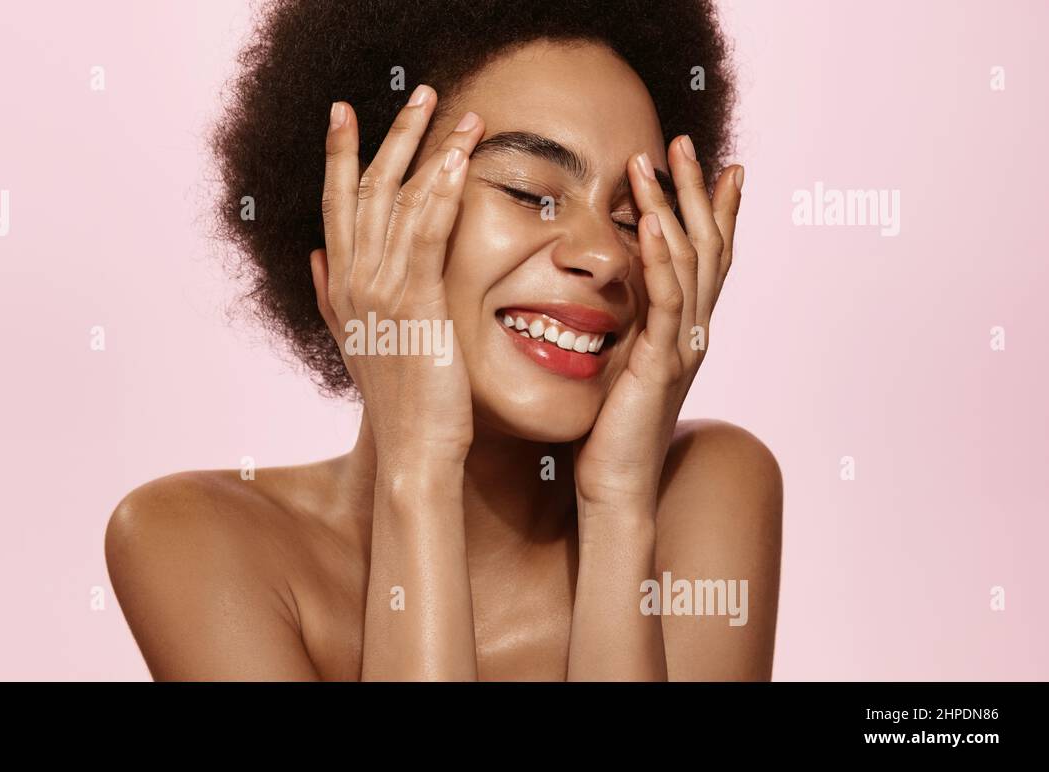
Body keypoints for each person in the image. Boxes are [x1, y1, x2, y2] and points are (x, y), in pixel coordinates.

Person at [106, 0, 782, 681]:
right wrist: (419, 466)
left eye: (636, 217)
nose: (605, 256)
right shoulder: (198, 541)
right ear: (363, 222)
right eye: (528, 192)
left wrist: (618, 504)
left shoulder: (707, 490)